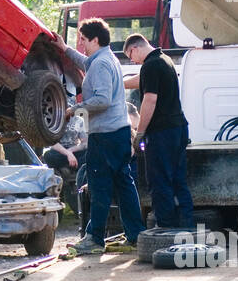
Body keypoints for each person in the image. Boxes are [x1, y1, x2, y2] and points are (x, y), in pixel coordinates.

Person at [63, 18, 146, 254]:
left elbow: (102, 99)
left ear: (95, 40)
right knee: (124, 185)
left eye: (83, 40)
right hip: (119, 133)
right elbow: (85, 61)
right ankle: (135, 235)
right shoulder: (106, 58)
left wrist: (74, 110)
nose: (81, 44)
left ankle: (94, 239)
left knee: (99, 186)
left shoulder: (99, 65)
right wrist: (64, 49)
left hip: (105, 136)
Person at [124, 33, 194, 229]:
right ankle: (187, 227)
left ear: (134, 48)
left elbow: (150, 99)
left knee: (159, 180)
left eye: (130, 55)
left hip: (162, 132)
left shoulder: (150, 65)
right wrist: (119, 83)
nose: (131, 60)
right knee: (178, 179)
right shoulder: (164, 60)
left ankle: (165, 228)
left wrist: (139, 133)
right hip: (178, 128)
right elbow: (142, 80)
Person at [42, 98, 87, 219]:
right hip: (59, 153)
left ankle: (81, 179)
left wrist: (71, 151)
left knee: (88, 153)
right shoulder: (51, 120)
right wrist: (67, 153)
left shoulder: (79, 121)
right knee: (47, 156)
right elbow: (51, 142)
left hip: (74, 152)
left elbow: (84, 143)